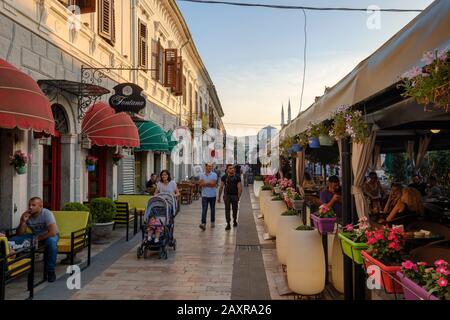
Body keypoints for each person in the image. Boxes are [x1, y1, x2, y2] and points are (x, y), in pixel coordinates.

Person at [10, 197, 59, 282]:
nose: (30, 207)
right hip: (35, 235)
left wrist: (37, 239)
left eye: (33, 205)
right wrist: (23, 222)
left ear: (40, 206)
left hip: (49, 235)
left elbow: (53, 232)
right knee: (14, 239)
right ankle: (8, 267)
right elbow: (20, 234)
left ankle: (50, 271)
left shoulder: (46, 213)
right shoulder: (26, 215)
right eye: (29, 205)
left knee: (51, 243)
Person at [218, 164, 242, 230]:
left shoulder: (237, 177)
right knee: (227, 210)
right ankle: (228, 223)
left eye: (232, 168)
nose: (232, 169)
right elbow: (221, 187)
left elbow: (240, 187)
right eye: (230, 168)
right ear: (227, 169)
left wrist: (238, 196)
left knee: (235, 209)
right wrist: (219, 197)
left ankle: (234, 220)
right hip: (227, 196)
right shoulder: (224, 177)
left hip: (234, 196)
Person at [199, 163, 218, 230]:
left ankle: (212, 221)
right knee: (204, 210)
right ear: (206, 167)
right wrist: (209, 183)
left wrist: (205, 183)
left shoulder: (214, 174)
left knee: (212, 209)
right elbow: (200, 184)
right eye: (209, 166)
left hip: (213, 195)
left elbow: (213, 184)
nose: (210, 167)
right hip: (204, 195)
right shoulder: (201, 174)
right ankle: (203, 223)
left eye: (211, 166)